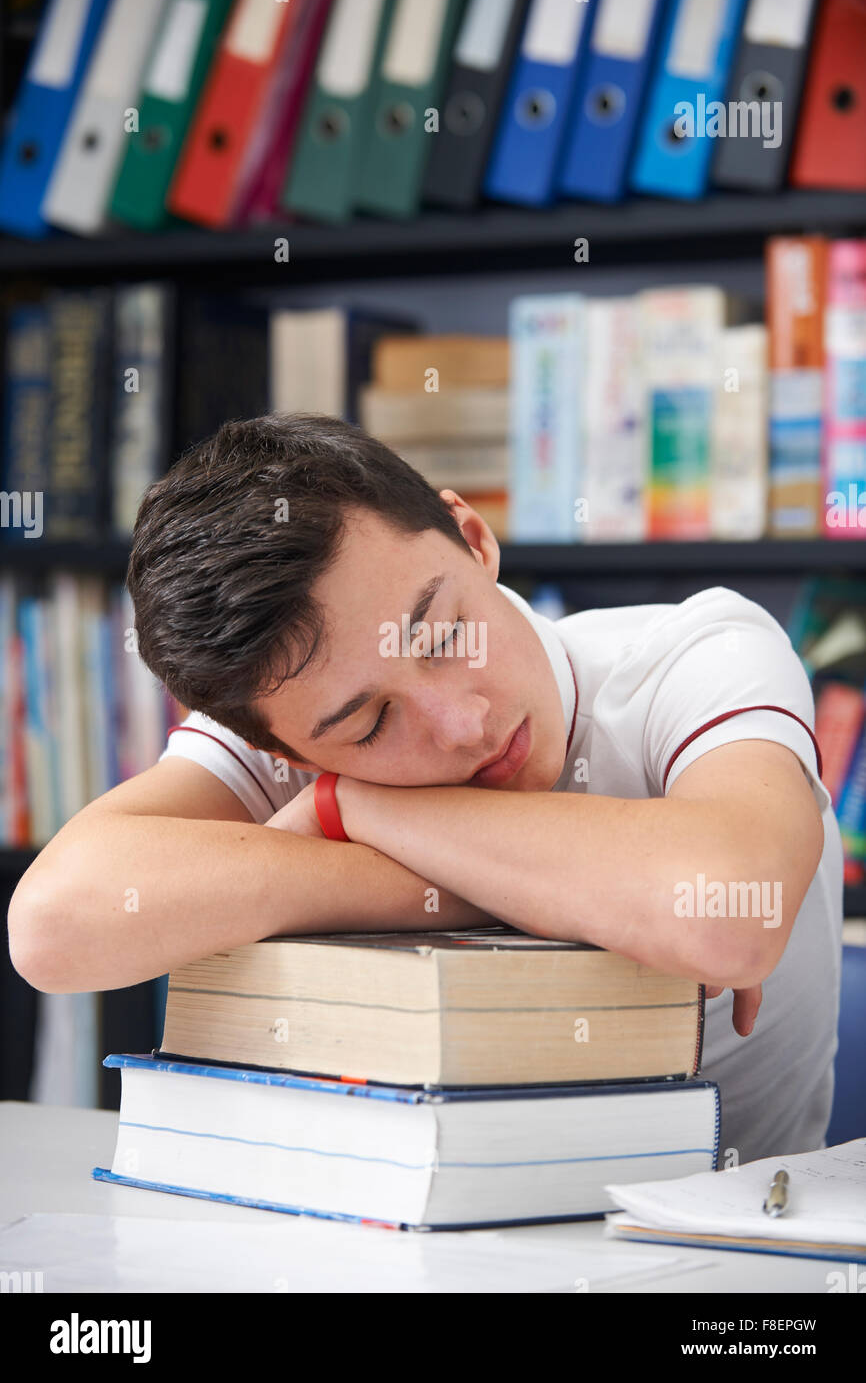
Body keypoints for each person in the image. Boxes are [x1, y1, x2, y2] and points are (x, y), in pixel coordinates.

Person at [9, 413, 843, 1164]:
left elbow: (737, 911)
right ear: (285, 749)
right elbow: (54, 926)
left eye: (444, 632)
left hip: (716, 1260)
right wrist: (590, 893)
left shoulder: (699, 653)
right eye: (371, 728)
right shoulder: (291, 704)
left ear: (472, 537)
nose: (462, 722)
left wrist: (358, 807)